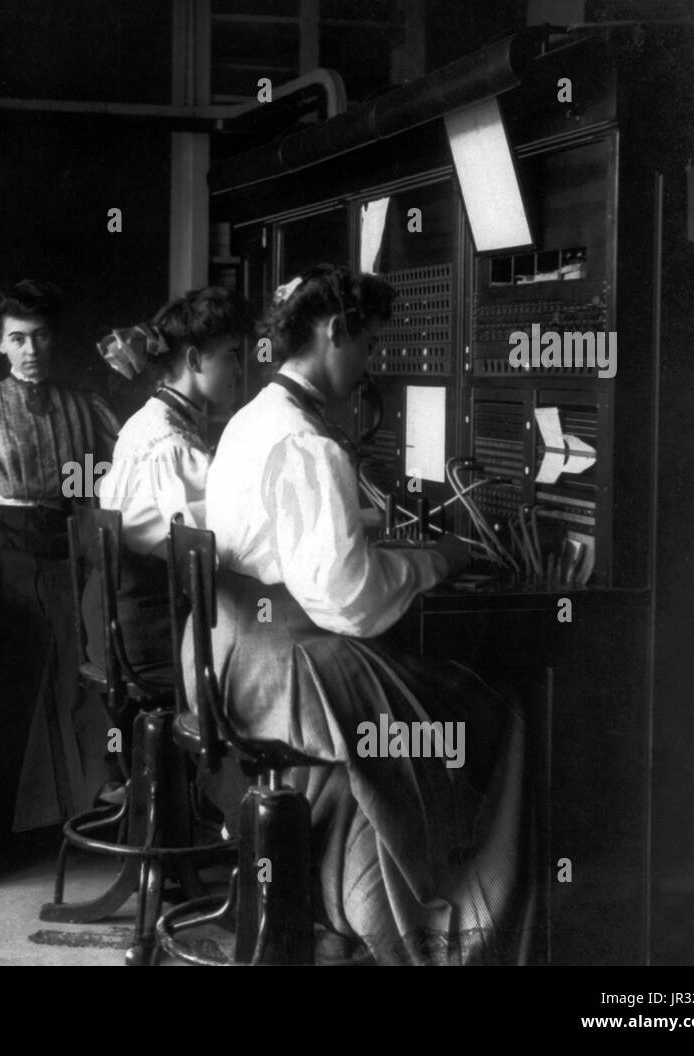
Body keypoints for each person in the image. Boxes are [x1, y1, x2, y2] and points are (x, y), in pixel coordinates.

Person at [191, 264, 538, 964]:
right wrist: (435, 561)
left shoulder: (252, 420)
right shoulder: (306, 442)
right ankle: (456, 932)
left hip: (229, 656)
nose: (371, 364)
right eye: (370, 345)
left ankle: (349, 909)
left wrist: (367, 532)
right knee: (494, 714)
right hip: (288, 673)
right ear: (332, 331)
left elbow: (289, 548)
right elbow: (349, 600)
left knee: (379, 740)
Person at [0, 279, 121, 843]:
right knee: (25, 671)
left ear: (53, 339)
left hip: (76, 554)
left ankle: (89, 818)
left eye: (39, 337)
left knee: (95, 665)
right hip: (6, 559)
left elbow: (115, 491)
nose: (31, 350)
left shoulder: (88, 411)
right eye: (18, 339)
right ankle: (21, 832)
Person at [83, 286, 246, 687]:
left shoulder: (146, 421)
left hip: (113, 620)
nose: (240, 369)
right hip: (148, 635)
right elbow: (212, 552)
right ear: (193, 359)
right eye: (231, 355)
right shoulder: (170, 444)